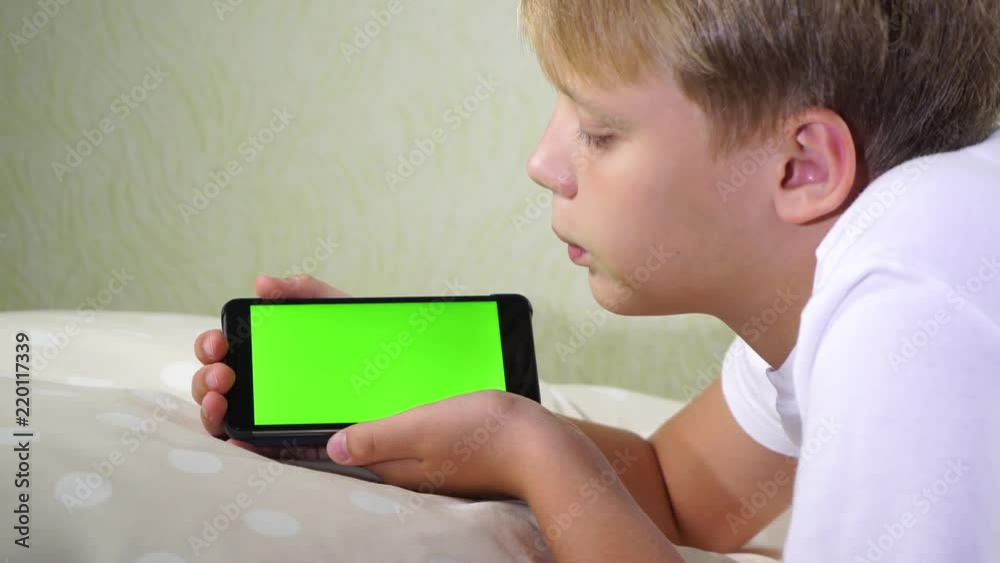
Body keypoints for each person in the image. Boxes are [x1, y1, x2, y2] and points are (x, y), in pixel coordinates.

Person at [191, 2, 1000, 561]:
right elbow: (683, 494)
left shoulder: (917, 290)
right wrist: (465, 412)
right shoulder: (852, 281)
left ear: (801, 166)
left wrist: (541, 459)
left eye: (599, 131)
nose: (542, 163)